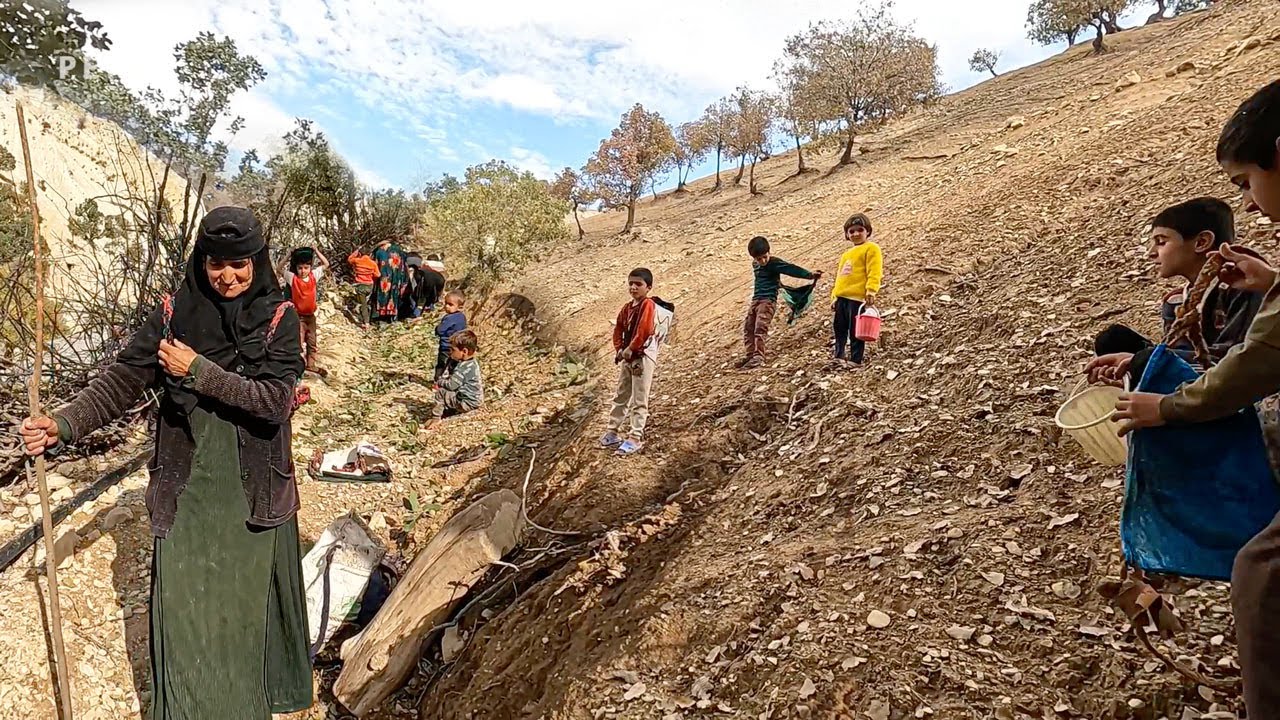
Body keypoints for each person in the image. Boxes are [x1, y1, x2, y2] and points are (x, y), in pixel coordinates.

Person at [20, 206, 311, 719]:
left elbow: (273, 402)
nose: (228, 276)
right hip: (190, 487)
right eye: (216, 263)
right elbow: (123, 380)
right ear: (200, 261)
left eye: (240, 263)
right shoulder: (173, 315)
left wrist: (198, 370)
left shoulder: (280, 318)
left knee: (244, 616)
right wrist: (63, 425)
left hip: (253, 489)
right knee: (188, 615)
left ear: (258, 260)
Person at [1113, 80, 1280, 719]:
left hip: (1248, 409)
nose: (1252, 203)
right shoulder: (1200, 295)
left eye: (1245, 182)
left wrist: (1166, 406)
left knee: (1261, 575)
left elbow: (1253, 365)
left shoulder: (1234, 292)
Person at [1087, 197, 1263, 387]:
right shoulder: (1176, 302)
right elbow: (1176, 352)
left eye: (1161, 242)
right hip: (1195, 374)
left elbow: (1235, 360)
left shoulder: (1243, 286)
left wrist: (1142, 362)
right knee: (1112, 339)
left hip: (1234, 382)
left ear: (1201, 242)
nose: (1151, 253)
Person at [600, 268, 673, 456]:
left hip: (642, 356)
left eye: (638, 284)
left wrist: (631, 348)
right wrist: (619, 349)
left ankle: (635, 436)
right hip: (627, 356)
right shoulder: (627, 308)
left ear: (648, 287)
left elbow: (645, 329)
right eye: (631, 283)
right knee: (622, 394)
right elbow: (619, 329)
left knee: (640, 398)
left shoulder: (647, 305)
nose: (633, 287)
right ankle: (612, 430)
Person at [736, 236, 821, 370]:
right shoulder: (756, 265)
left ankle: (759, 356)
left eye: (765, 257)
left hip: (768, 301)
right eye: (759, 259)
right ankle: (750, 354)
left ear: (769, 252)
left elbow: (791, 269)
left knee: (760, 327)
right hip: (756, 300)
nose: (763, 261)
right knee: (749, 327)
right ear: (753, 259)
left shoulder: (774, 263)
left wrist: (809, 275)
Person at [830, 213, 883, 366]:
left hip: (857, 298)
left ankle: (855, 359)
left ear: (868, 231)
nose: (856, 234)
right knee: (839, 328)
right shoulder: (846, 254)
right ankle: (838, 356)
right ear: (847, 235)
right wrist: (834, 296)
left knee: (856, 331)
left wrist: (871, 290)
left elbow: (874, 271)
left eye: (860, 230)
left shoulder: (872, 248)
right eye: (851, 231)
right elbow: (839, 277)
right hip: (842, 298)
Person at [280, 246, 330, 374]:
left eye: (306, 268)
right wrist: (288, 254)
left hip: (311, 316)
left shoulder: (314, 276)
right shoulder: (293, 279)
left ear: (310, 267)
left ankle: (311, 364)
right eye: (300, 268)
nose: (303, 271)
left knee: (312, 342)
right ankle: (297, 365)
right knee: (299, 341)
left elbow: (326, 264)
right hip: (298, 317)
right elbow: (278, 269)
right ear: (296, 268)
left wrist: (316, 250)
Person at [426, 329, 483, 430]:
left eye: (453, 350)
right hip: (474, 400)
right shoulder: (472, 364)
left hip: (467, 402)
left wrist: (440, 381)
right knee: (450, 395)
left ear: (464, 351)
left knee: (441, 393)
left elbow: (452, 385)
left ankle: (436, 418)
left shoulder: (463, 367)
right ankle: (449, 412)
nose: (450, 353)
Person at [372, 238, 408, 323]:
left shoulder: (379, 252)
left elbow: (376, 265)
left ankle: (381, 315)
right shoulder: (399, 250)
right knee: (394, 295)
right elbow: (404, 266)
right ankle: (393, 315)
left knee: (382, 294)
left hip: (383, 277)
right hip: (396, 277)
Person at [435, 291, 467, 382]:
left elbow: (440, 330)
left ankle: (438, 382)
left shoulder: (449, 318)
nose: (446, 306)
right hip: (457, 347)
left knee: (442, 365)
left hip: (446, 346)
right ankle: (452, 382)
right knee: (453, 366)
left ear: (459, 307)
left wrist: (437, 329)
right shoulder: (462, 317)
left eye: (450, 304)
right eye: (446, 303)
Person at [346, 246, 380, 329]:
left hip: (360, 285)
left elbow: (349, 259)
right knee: (367, 302)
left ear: (360, 254)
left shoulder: (357, 261)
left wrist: (356, 251)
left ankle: (366, 322)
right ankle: (371, 318)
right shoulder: (373, 263)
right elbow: (378, 275)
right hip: (370, 286)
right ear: (370, 254)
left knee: (363, 304)